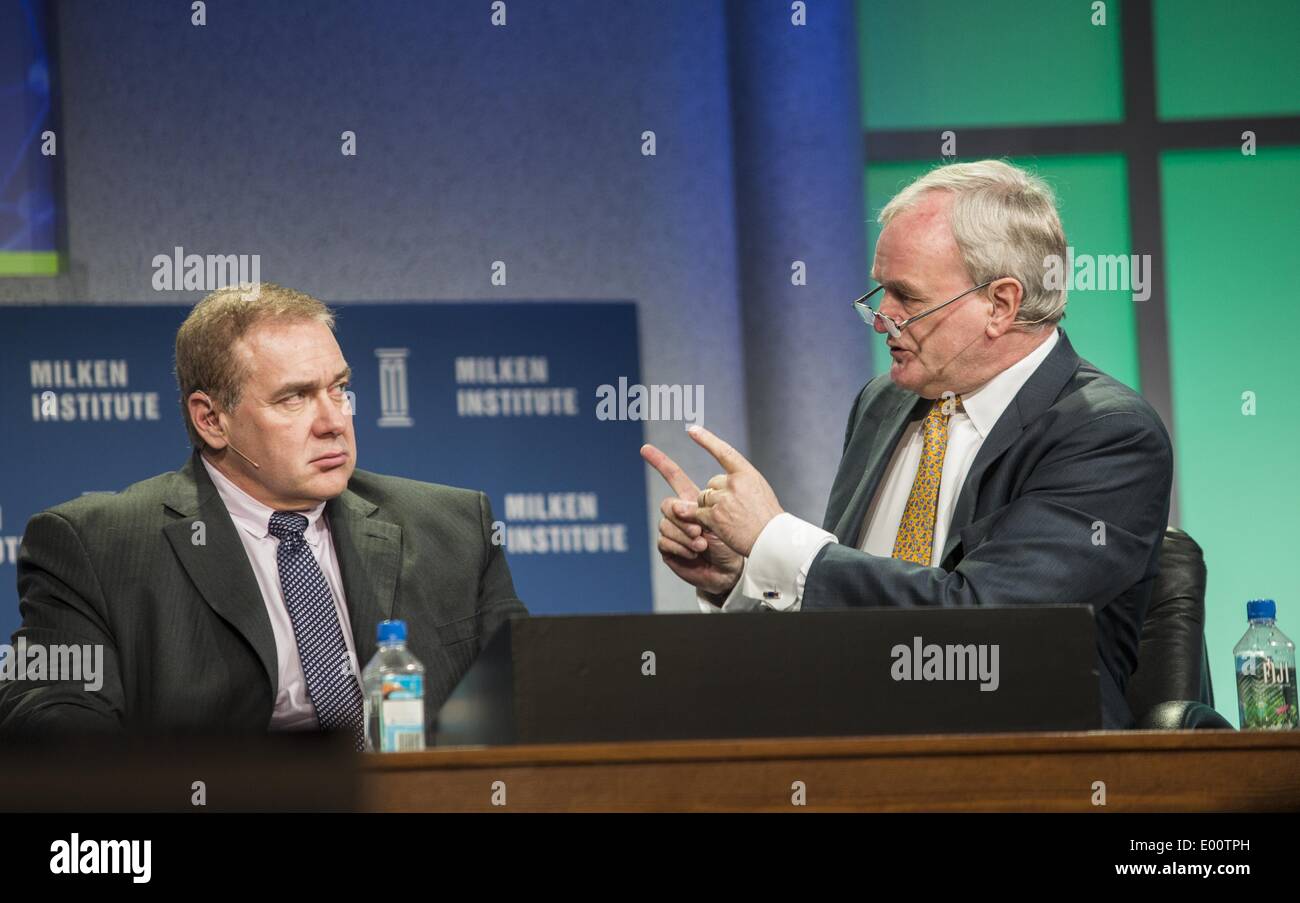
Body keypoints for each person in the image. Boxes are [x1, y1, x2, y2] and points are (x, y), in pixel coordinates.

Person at [642, 160, 1172, 729]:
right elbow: (857, 619)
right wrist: (741, 577)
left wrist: (775, 538)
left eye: (906, 297)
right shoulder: (883, 403)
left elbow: (985, 628)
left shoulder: (1107, 434)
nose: (880, 319)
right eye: (880, 289)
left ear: (1001, 304)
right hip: (859, 756)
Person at [1, 283, 526, 744]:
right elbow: (51, 709)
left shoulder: (454, 527)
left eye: (339, 390)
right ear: (211, 420)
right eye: (294, 398)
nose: (333, 422)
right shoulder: (97, 546)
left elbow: (529, 695)